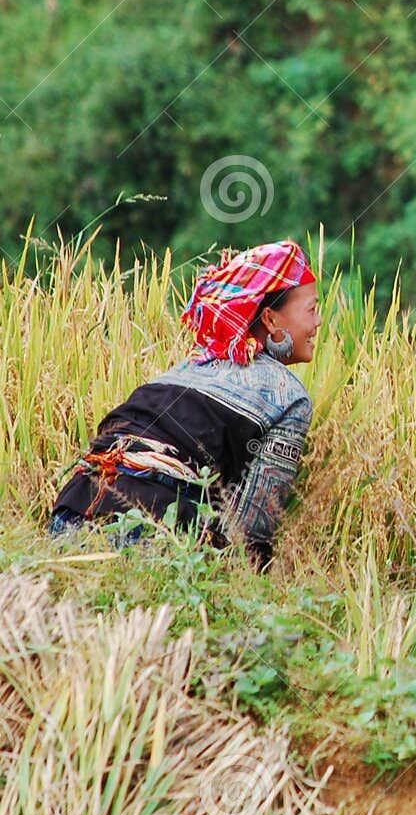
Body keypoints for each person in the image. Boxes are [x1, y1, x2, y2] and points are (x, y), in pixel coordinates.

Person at [50, 240, 321, 570]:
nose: (318, 322)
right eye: (312, 309)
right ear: (270, 319)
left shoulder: (185, 369)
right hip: (148, 525)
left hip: (74, 507)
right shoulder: (289, 396)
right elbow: (254, 528)